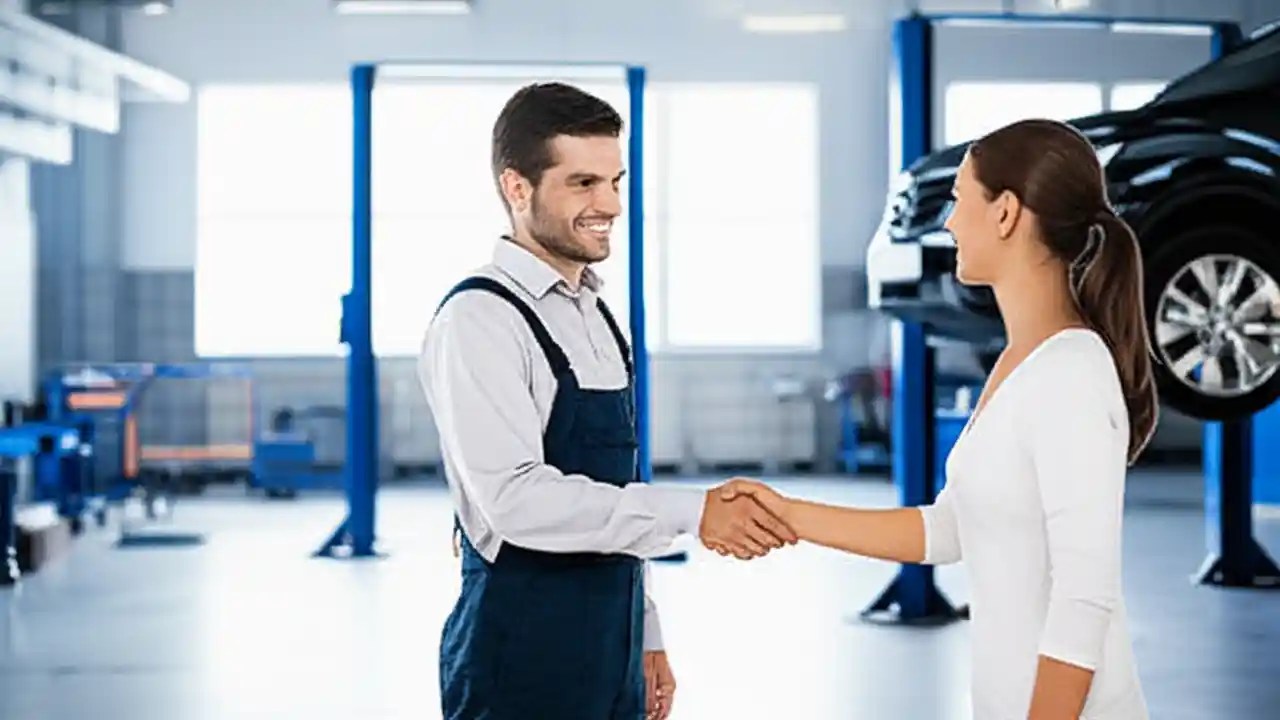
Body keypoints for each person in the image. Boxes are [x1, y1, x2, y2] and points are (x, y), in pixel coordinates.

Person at [721, 118, 1158, 720]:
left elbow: (1084, 596)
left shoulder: (1072, 373)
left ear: (1005, 213)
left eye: (958, 200)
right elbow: (949, 530)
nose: (948, 222)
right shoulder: (1019, 363)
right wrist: (789, 514)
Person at [418, 81, 798, 720]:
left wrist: (645, 631)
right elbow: (515, 501)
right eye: (584, 183)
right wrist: (695, 512)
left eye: (616, 181)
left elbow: (614, 487)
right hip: (518, 661)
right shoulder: (480, 320)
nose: (611, 204)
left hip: (610, 651)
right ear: (517, 188)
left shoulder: (595, 314)